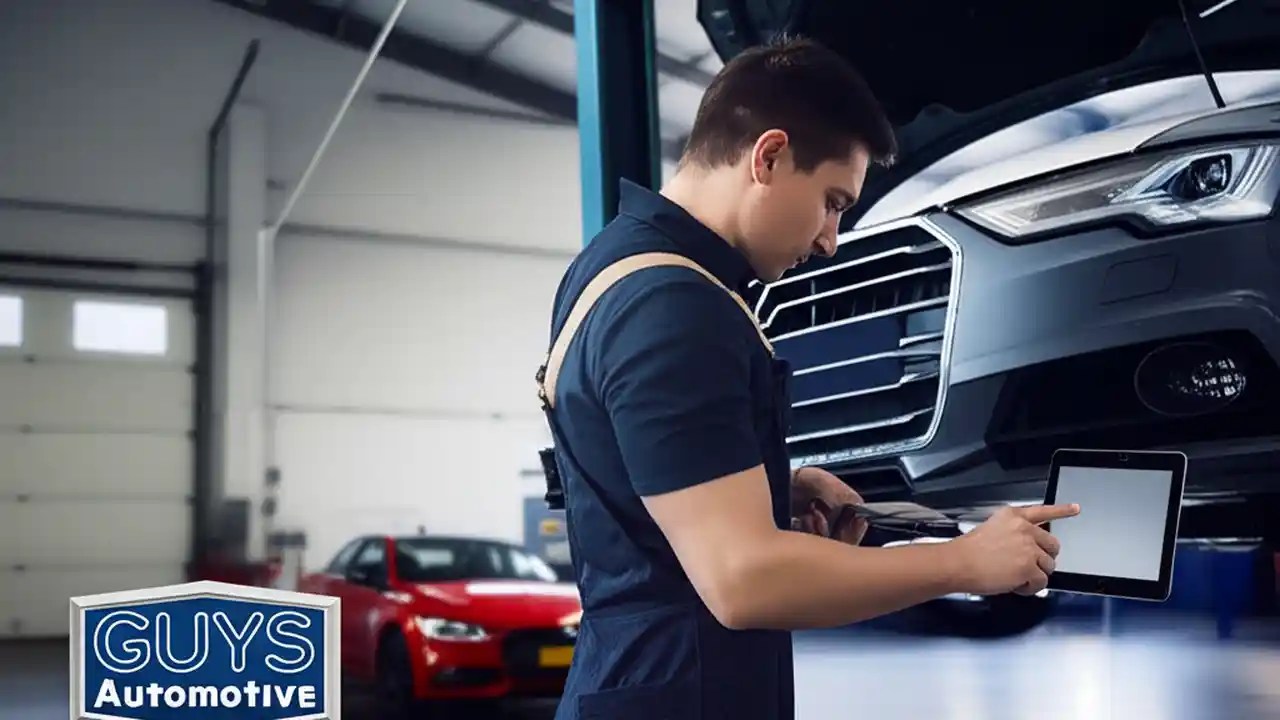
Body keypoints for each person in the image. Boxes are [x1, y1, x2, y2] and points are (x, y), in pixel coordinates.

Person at [539, 35, 1079, 720]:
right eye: (832, 200)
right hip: (681, 694)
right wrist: (965, 563)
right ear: (767, 156)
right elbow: (745, 581)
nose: (830, 238)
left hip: (648, 680)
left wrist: (771, 483)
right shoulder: (675, 307)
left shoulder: (613, 269)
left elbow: (631, 466)